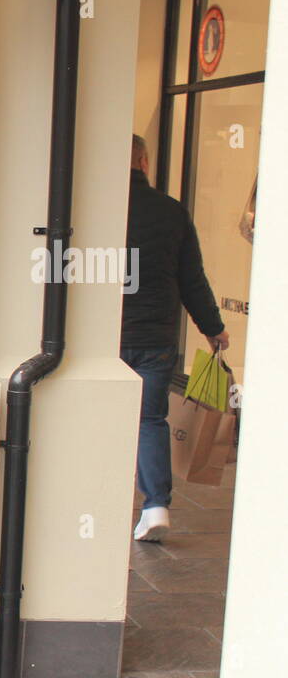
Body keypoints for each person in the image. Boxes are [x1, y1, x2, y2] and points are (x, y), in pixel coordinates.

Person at [122, 134, 229, 542]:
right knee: (150, 419)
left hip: (104, 337)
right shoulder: (172, 213)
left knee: (96, 414)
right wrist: (213, 328)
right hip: (155, 336)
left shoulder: (96, 208)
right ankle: (155, 506)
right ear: (145, 162)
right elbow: (192, 279)